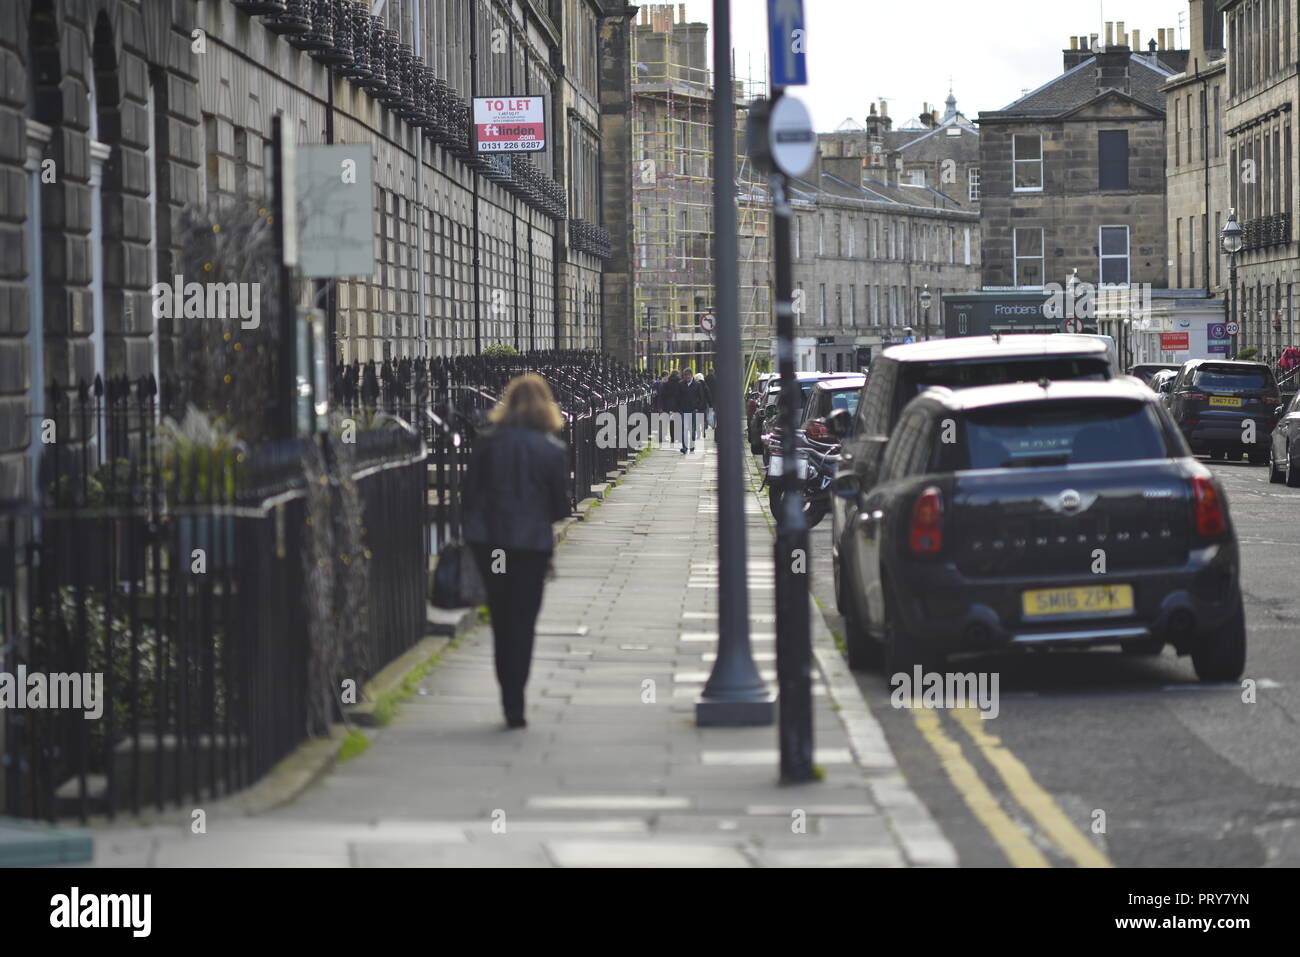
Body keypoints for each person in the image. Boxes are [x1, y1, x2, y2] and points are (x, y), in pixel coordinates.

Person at [462, 373, 569, 729]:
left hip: (492, 546)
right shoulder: (552, 450)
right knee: (523, 622)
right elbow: (559, 508)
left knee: (501, 619)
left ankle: (507, 691)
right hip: (530, 547)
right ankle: (515, 701)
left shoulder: (487, 442)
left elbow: (470, 496)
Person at [682, 368, 710, 453]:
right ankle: (685, 447)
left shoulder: (697, 385)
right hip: (684, 410)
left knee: (692, 428)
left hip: (694, 410)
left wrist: (698, 407)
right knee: (685, 429)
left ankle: (692, 445)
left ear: (691, 375)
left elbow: (701, 397)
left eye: (688, 376)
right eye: (685, 376)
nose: (687, 377)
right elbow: (678, 397)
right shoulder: (681, 384)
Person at [661, 369, 687, 453]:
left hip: (670, 405)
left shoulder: (667, 383)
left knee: (672, 421)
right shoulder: (681, 383)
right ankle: (679, 437)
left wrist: (665, 405)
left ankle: (672, 437)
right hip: (678, 404)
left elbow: (664, 395)